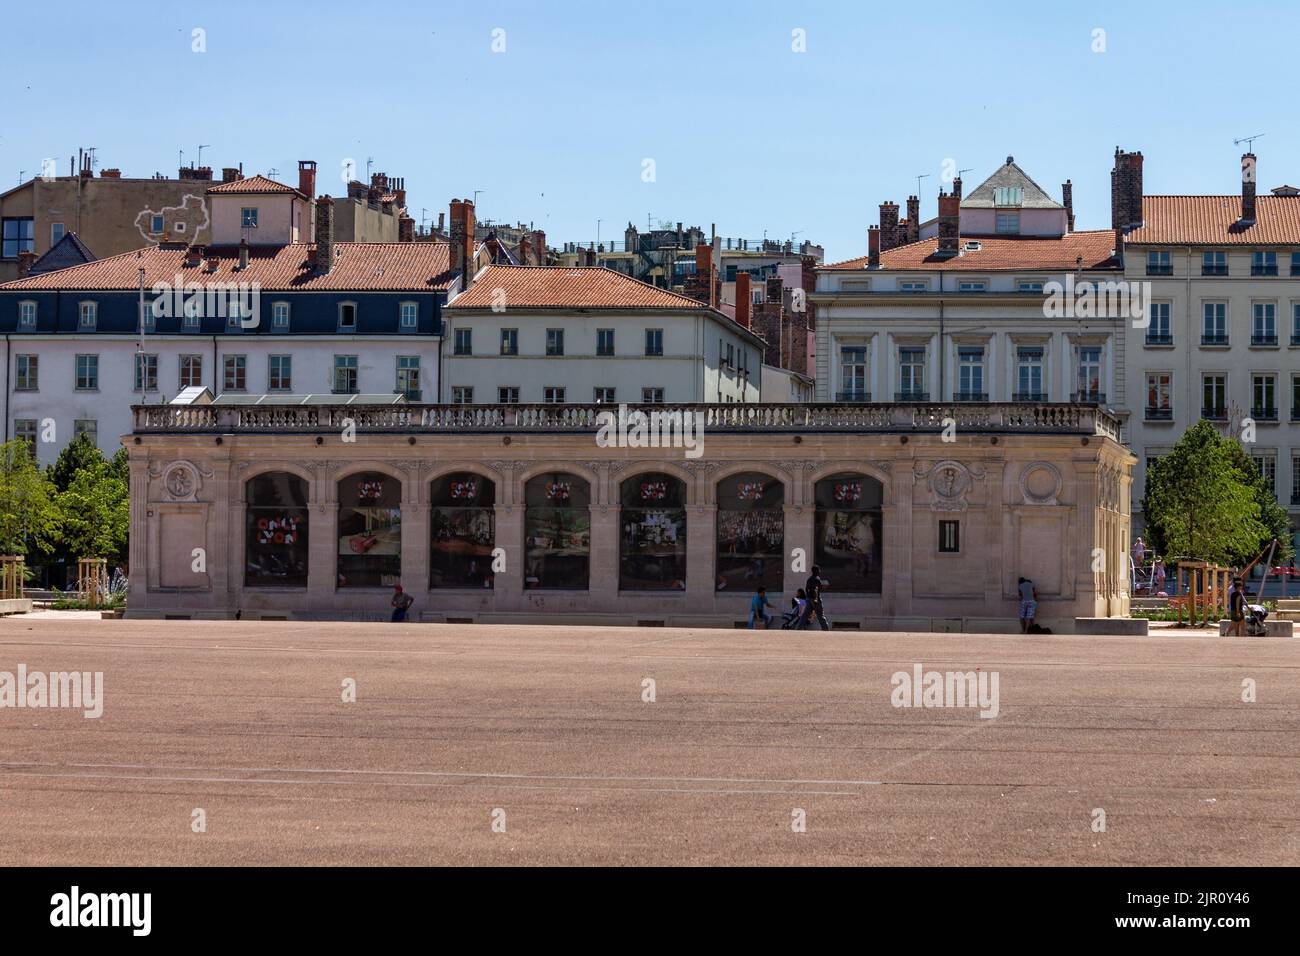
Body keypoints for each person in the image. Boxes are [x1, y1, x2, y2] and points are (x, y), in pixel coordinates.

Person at [801, 565, 830, 631]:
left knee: (805, 615)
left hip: (809, 599)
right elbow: (815, 590)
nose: (820, 571)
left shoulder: (809, 579)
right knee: (820, 615)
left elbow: (807, 589)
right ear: (817, 571)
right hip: (815, 599)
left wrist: (809, 598)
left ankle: (799, 628)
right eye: (819, 570)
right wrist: (815, 599)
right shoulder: (816, 579)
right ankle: (826, 630)